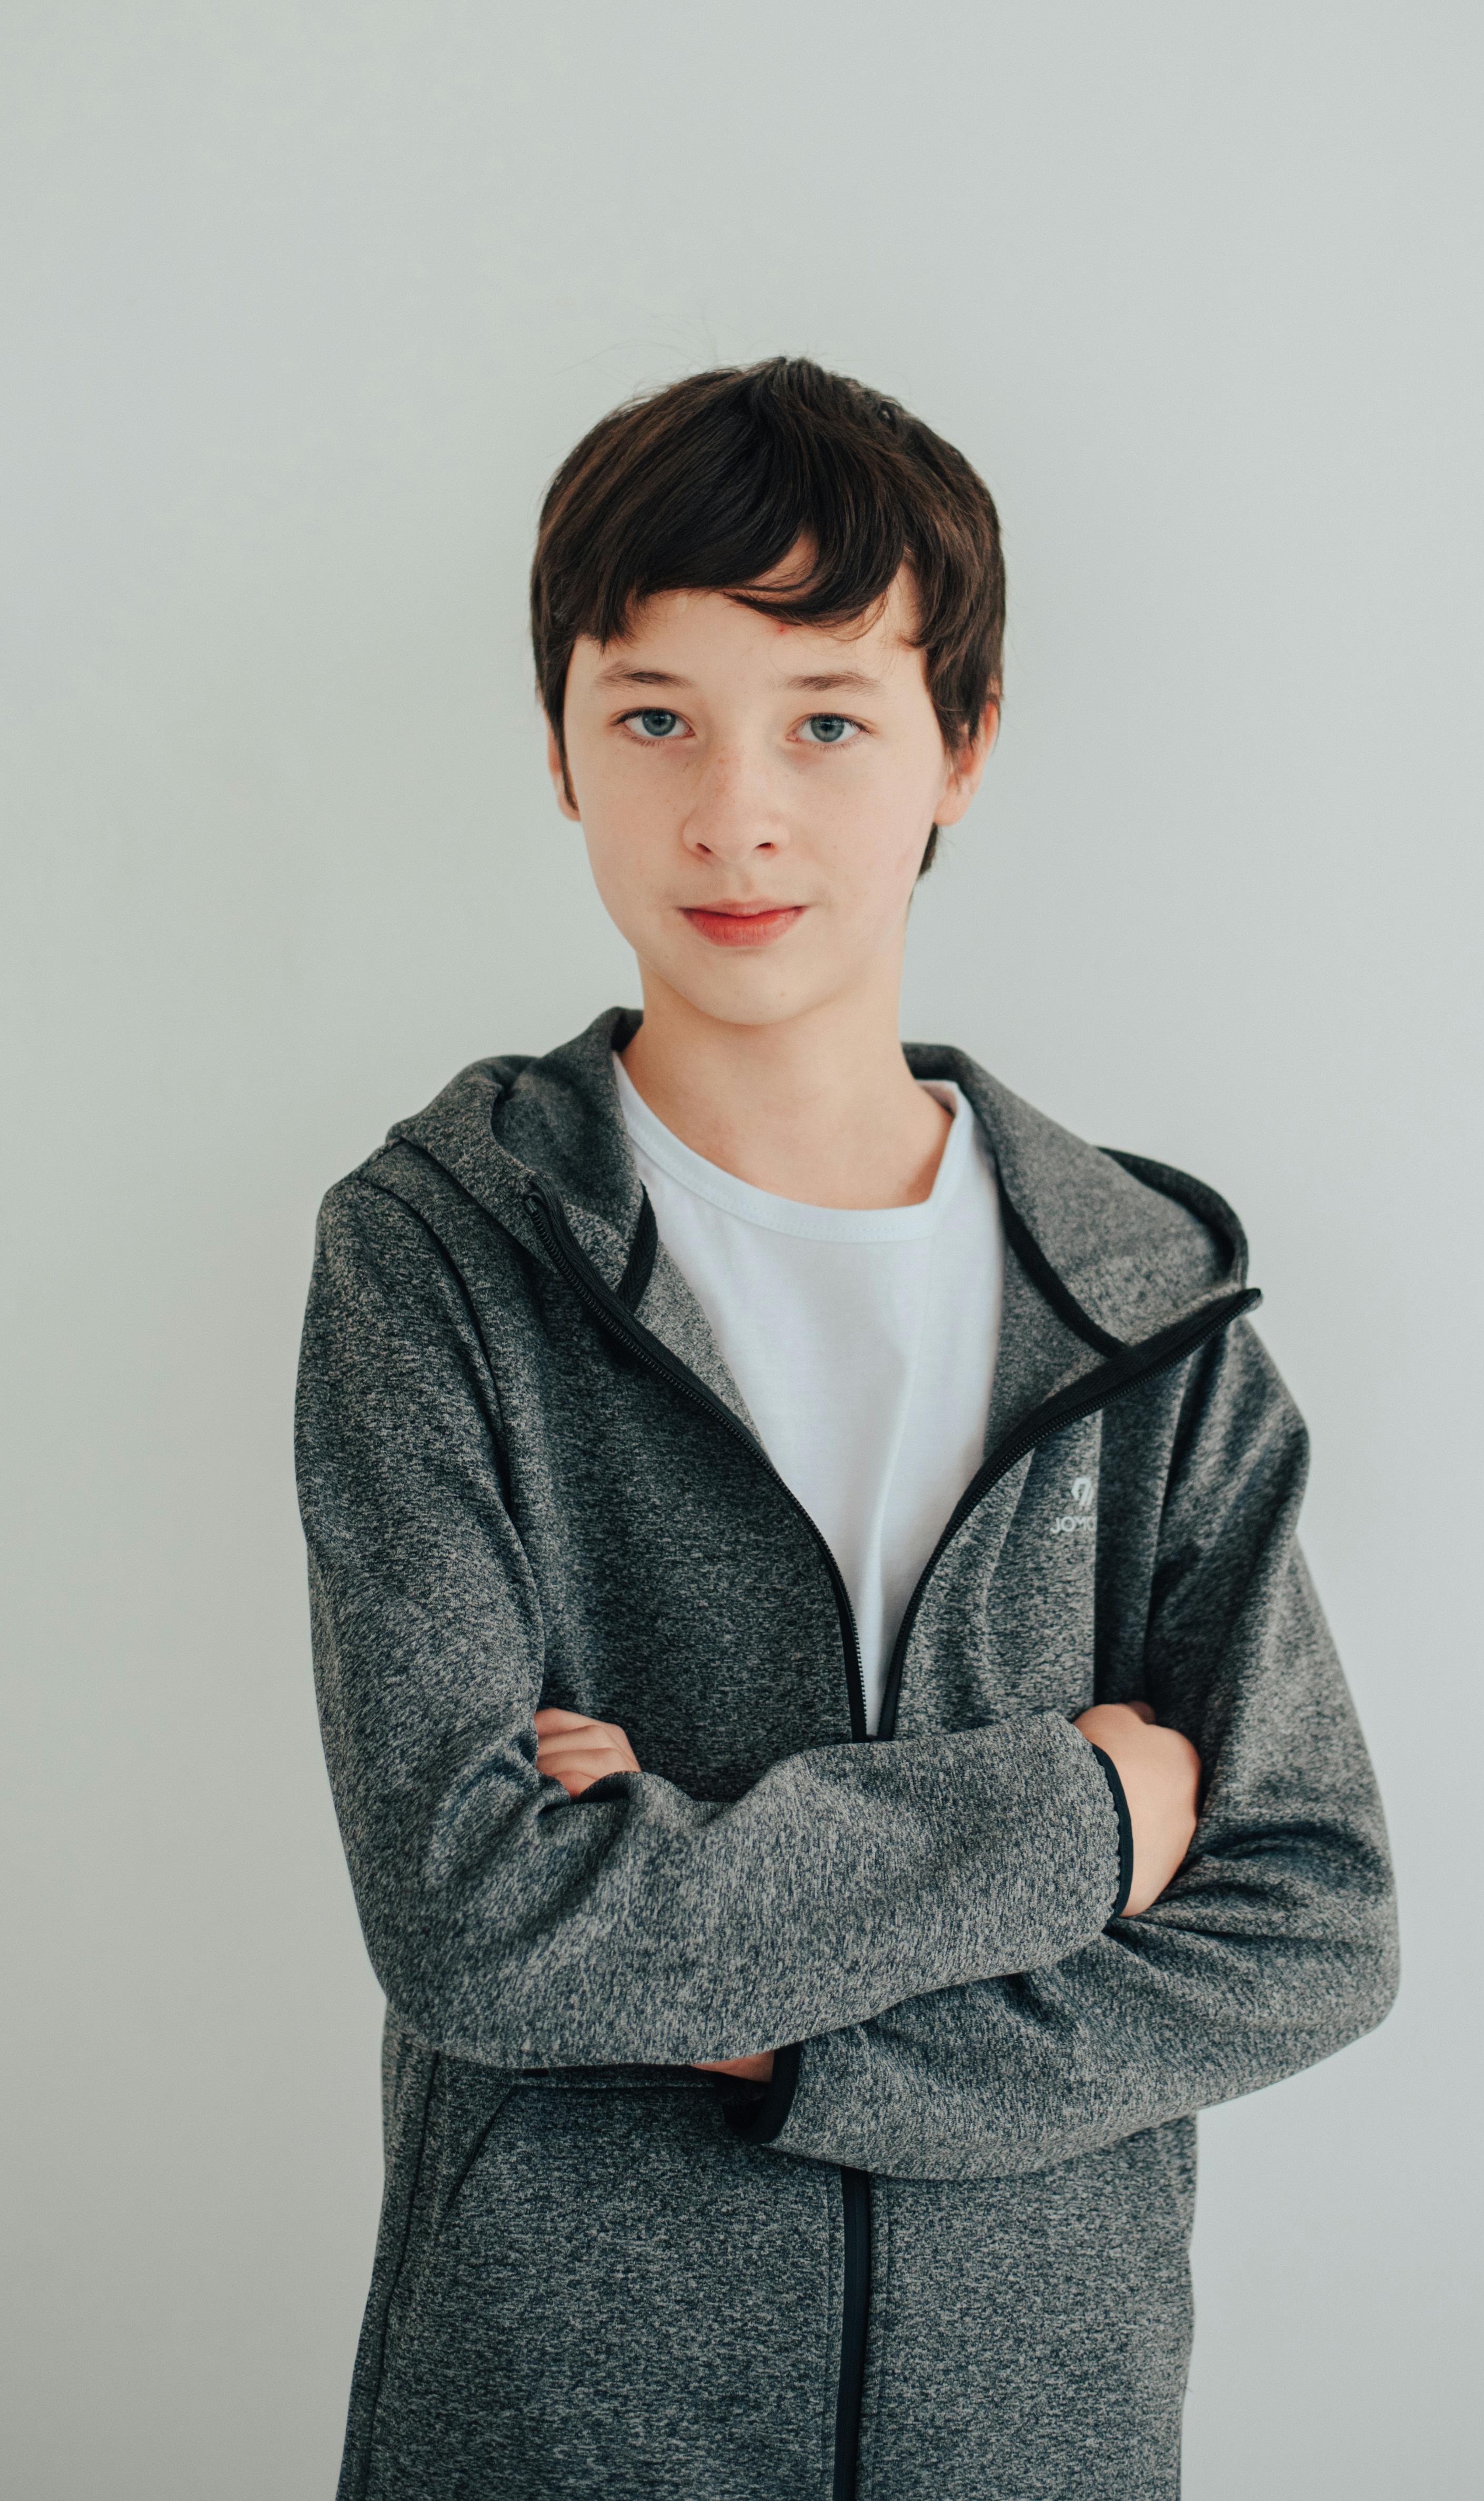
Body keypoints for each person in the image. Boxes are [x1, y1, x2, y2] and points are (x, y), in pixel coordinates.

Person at [295, 356, 1398, 2501]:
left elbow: (1309, 1918)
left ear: (957, 752)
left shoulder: (1140, 1295)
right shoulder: (436, 1255)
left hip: (1039, 2435)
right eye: (654, 718)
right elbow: (478, 1918)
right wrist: (1084, 1820)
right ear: (559, 749)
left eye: (824, 716)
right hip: (553, 2432)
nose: (735, 814)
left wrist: (771, 2017)